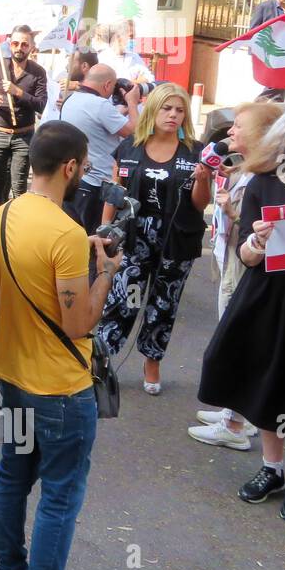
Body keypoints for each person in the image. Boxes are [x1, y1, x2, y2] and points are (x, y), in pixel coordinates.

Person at [0, 120, 122, 570]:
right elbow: (79, 322)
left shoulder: (4, 212)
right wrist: (105, 270)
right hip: (61, 386)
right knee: (61, 493)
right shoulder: (64, 232)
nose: (84, 175)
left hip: (13, 373)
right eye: (84, 167)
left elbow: (23, 283)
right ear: (69, 167)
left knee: (12, 476)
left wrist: (73, 258)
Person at [198, 107, 285, 524]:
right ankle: (272, 469)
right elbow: (245, 255)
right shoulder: (263, 184)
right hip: (270, 299)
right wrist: (257, 243)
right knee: (269, 380)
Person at [95, 82, 210, 395]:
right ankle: (103, 359)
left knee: (163, 303)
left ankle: (152, 361)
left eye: (179, 110)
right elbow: (114, 192)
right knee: (125, 297)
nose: (172, 115)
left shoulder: (196, 152)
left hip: (177, 238)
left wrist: (203, 180)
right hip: (135, 235)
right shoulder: (130, 147)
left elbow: (201, 204)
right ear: (153, 110)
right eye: (166, 108)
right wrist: (105, 231)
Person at [188, 101, 284, 449]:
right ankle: (235, 411)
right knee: (235, 339)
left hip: (244, 269)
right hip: (230, 260)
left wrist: (231, 211)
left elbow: (265, 232)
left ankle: (234, 425)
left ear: (260, 134)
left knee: (237, 341)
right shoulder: (251, 167)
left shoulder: (267, 176)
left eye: (238, 126)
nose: (230, 132)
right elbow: (210, 162)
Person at [42, 64, 140, 234]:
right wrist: (132, 103)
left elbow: (96, 124)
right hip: (97, 185)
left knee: (74, 240)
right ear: (108, 84)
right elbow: (136, 134)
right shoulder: (100, 105)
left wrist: (120, 113)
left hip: (75, 181)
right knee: (97, 241)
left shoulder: (71, 100)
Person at [0, 25, 48, 213]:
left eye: (24, 44)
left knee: (19, 186)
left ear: (31, 47)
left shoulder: (38, 72)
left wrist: (18, 92)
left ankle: (17, 230)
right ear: (9, 44)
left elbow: (41, 105)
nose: (19, 47)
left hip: (24, 136)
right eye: (15, 43)